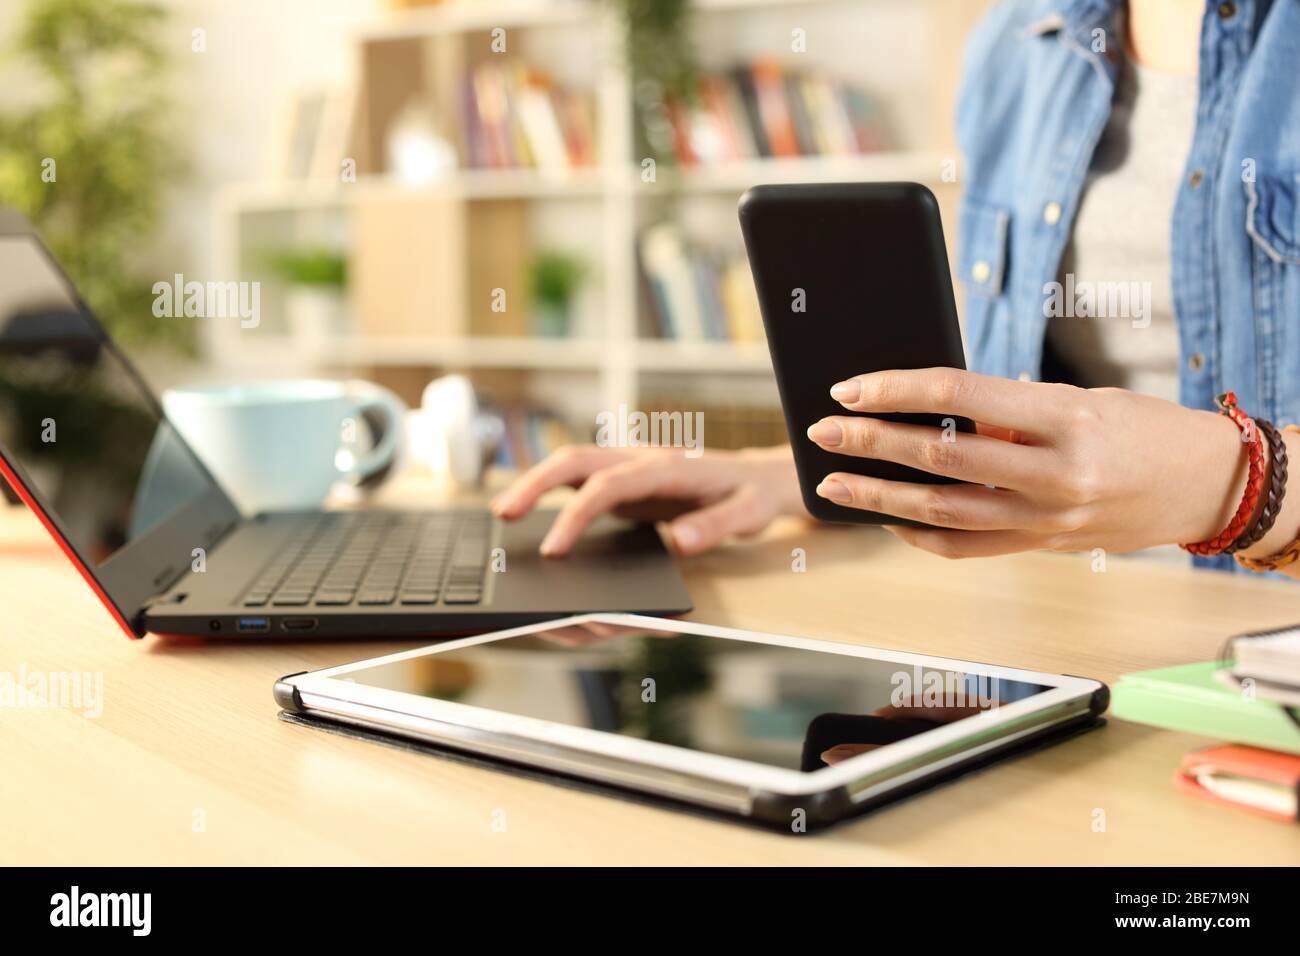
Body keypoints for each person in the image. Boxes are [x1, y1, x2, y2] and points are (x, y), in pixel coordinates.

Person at [494, 0, 1300, 579]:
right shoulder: (1018, 41)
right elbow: (999, 401)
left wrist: (1230, 482)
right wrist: (797, 476)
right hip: (1065, 628)